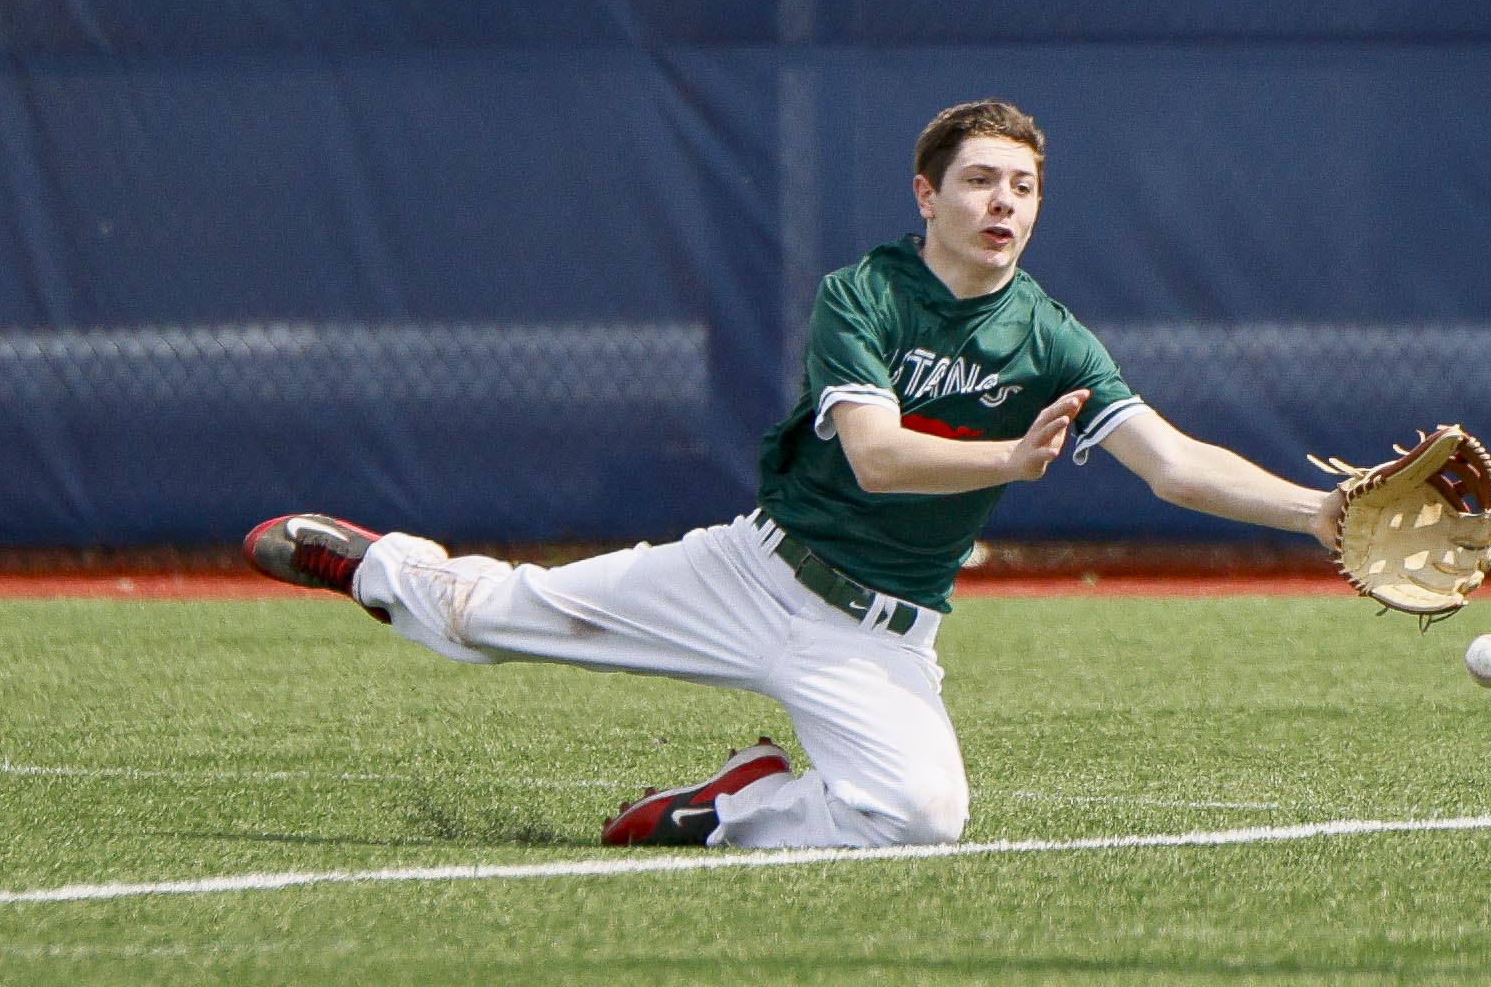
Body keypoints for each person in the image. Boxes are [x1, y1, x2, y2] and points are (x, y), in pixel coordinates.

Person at [245, 98, 1344, 850]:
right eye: (978, 181)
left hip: (877, 632)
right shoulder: (860, 295)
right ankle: (372, 562)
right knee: (488, 617)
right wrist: (1008, 458)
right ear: (926, 192)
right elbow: (874, 455)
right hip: (754, 572)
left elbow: (1174, 463)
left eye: (1022, 186)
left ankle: (732, 806)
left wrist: (1318, 511)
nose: (1002, 203)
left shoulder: (1050, 337)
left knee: (918, 819)